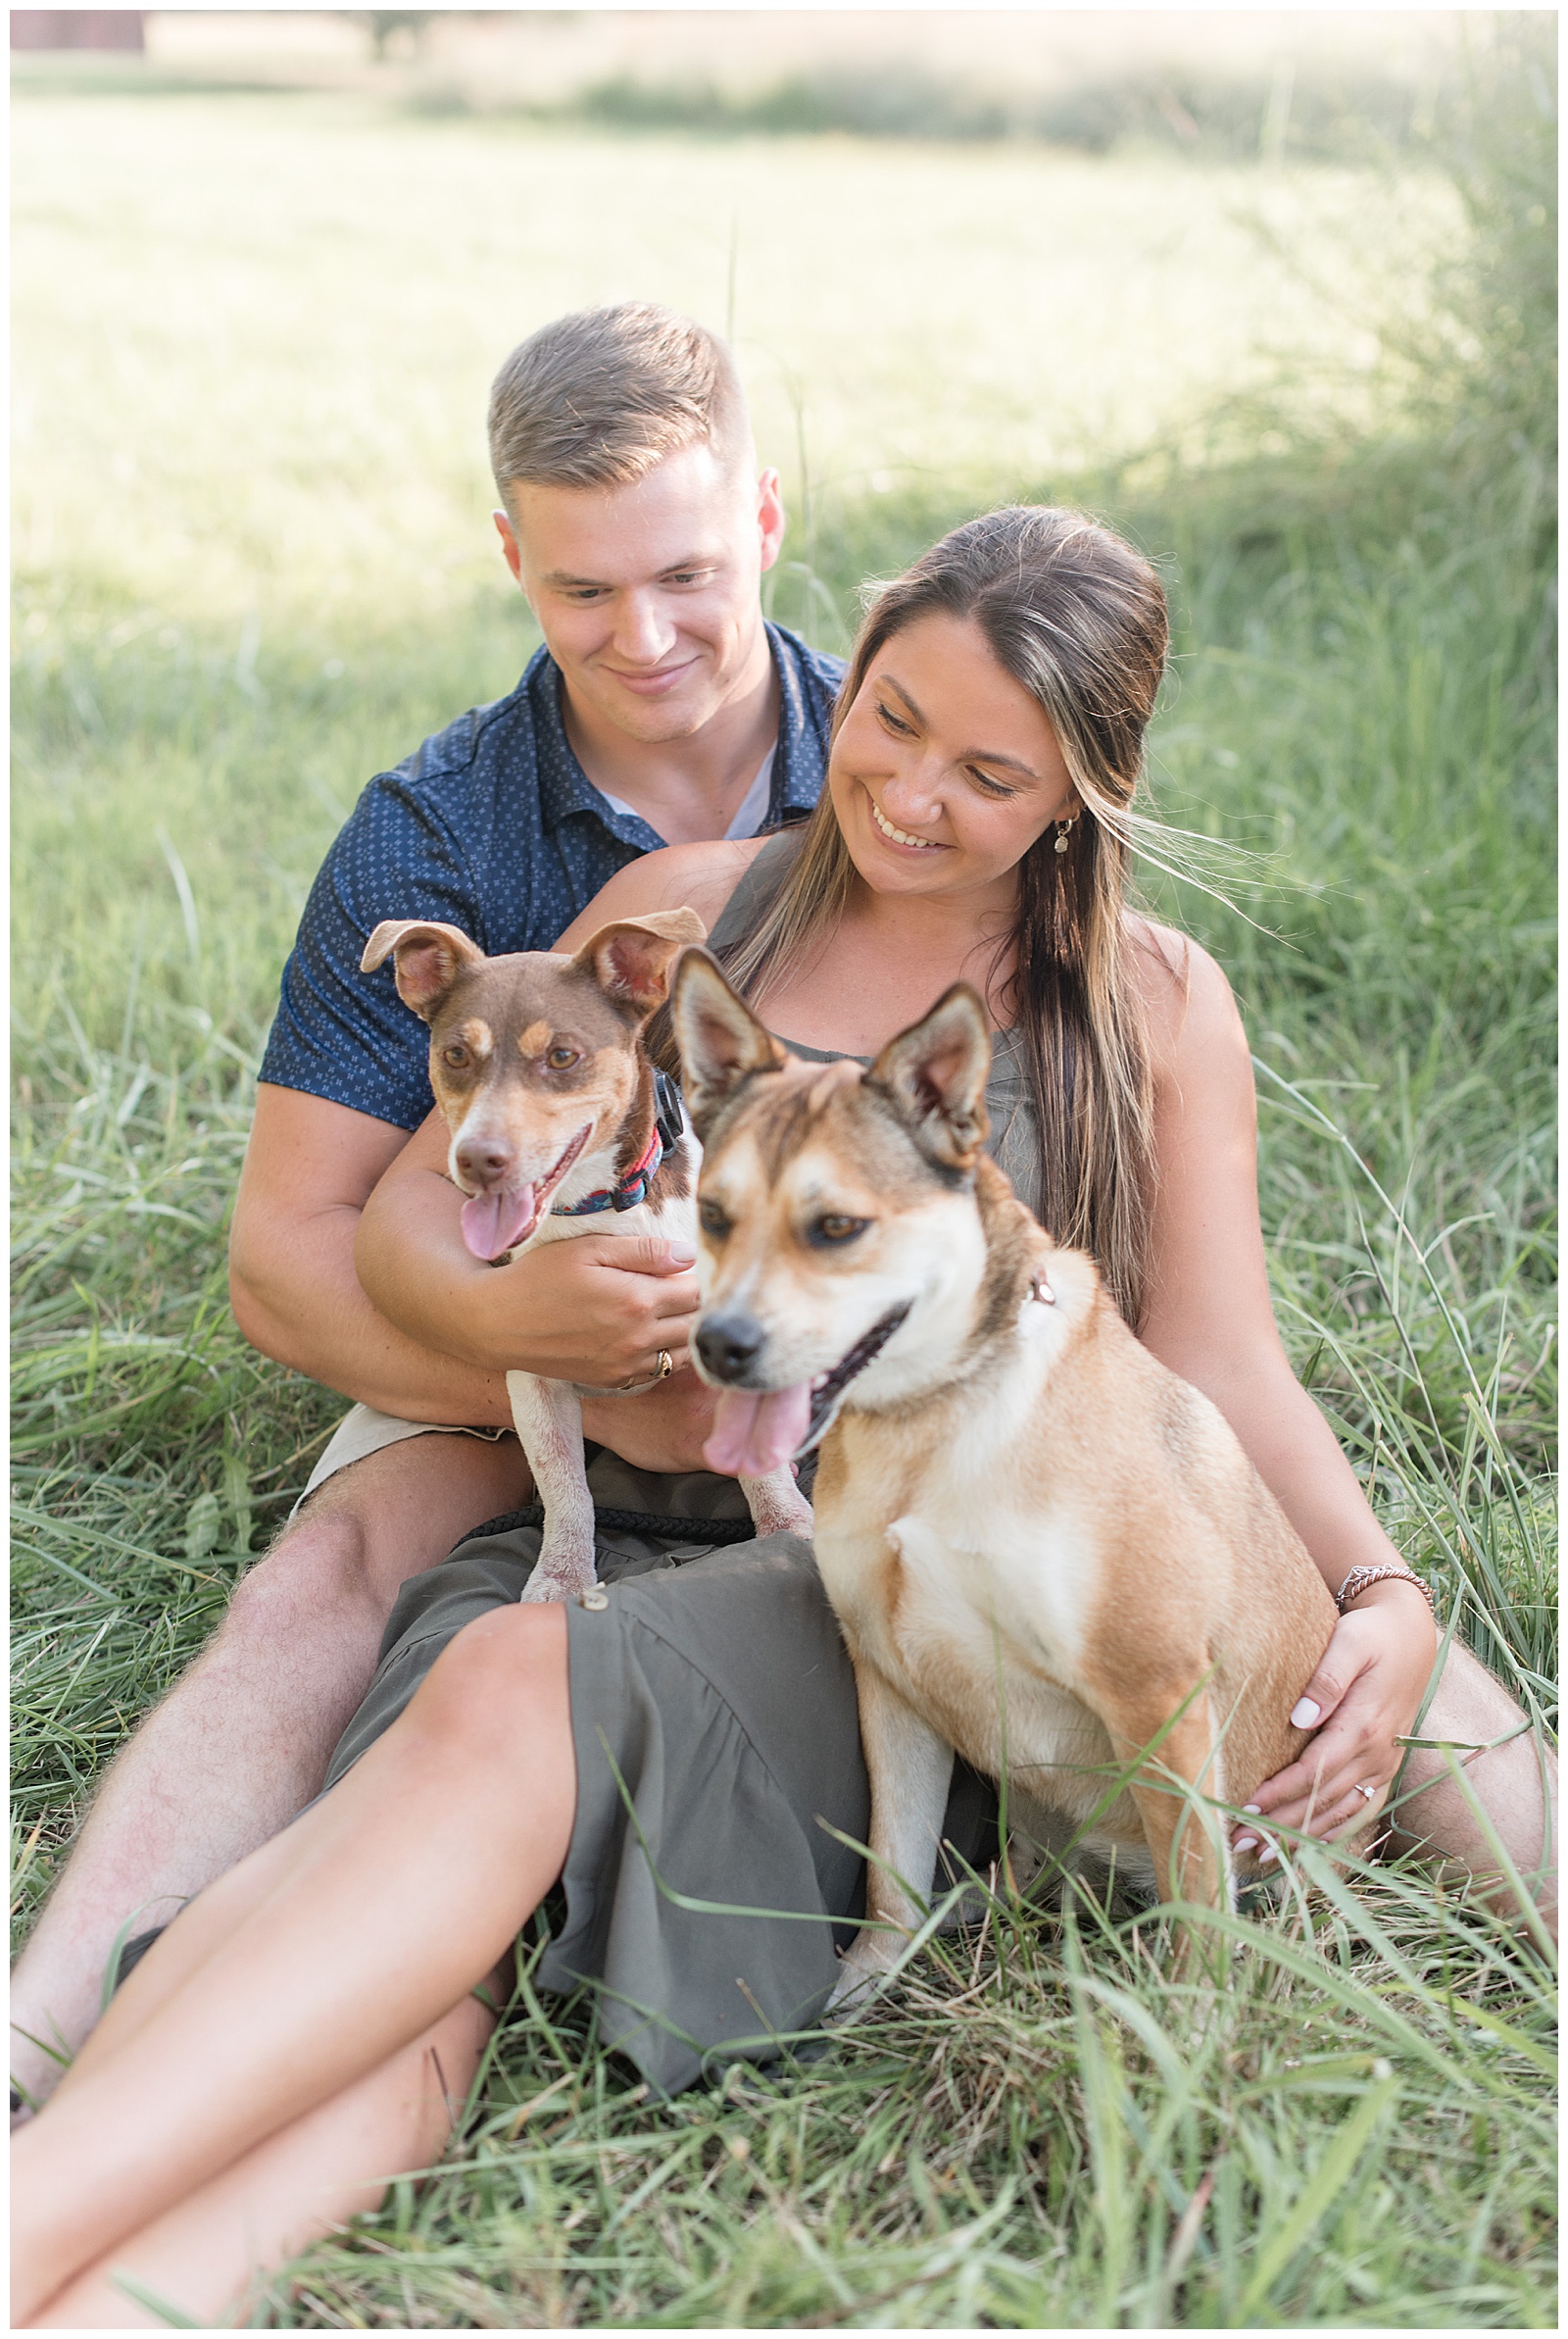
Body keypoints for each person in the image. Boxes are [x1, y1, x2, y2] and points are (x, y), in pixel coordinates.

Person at [13, 507, 1554, 2330]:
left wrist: (1380, 1589)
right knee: (414, 1920)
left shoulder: (1149, 1009)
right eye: (892, 717)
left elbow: (1224, 1372)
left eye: (991, 771)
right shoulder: (692, 914)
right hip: (630, 1505)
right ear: (856, 660)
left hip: (922, 1566)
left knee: (511, 1701)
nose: (909, 791)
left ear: (1082, 790)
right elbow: (415, 1224)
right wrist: (542, 1314)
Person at [8, 302, 847, 2115]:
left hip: (809, 1340)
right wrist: (515, 1345)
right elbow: (283, 1258)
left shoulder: (890, 774)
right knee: (331, 1572)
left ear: (767, 516)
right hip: (504, 1322)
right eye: (581, 590)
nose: (645, 635)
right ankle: (39, 2038)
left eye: (689, 571)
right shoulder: (428, 835)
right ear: (510, 560)